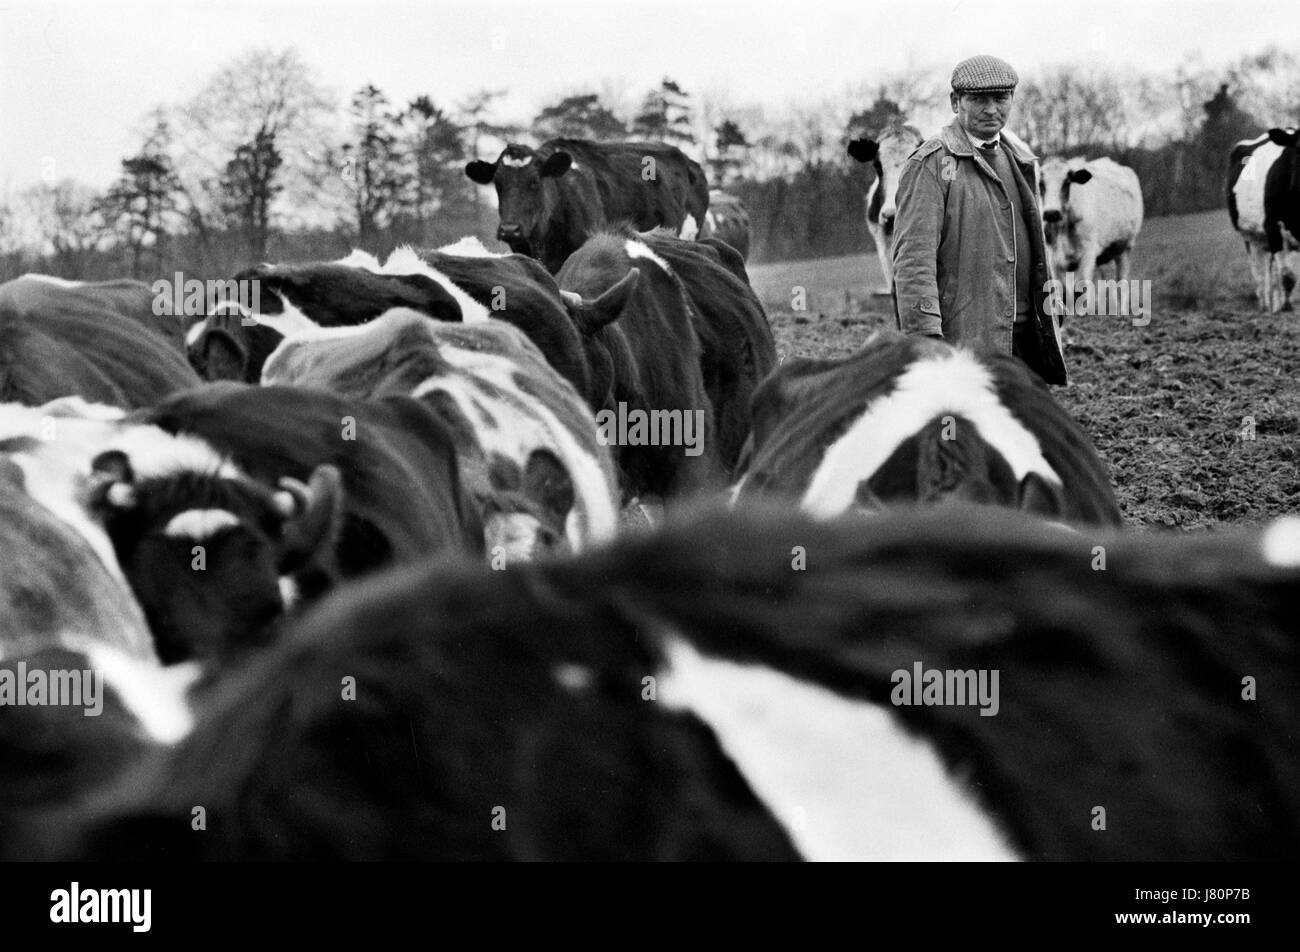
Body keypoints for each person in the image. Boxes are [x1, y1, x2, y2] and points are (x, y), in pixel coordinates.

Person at [890, 54, 1067, 385]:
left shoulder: (1020, 159)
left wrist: (1053, 306)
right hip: (966, 345)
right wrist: (926, 339)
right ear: (956, 102)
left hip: (1026, 339)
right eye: (978, 99)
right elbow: (913, 260)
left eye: (1001, 98)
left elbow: (1034, 247)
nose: (991, 109)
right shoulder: (931, 163)